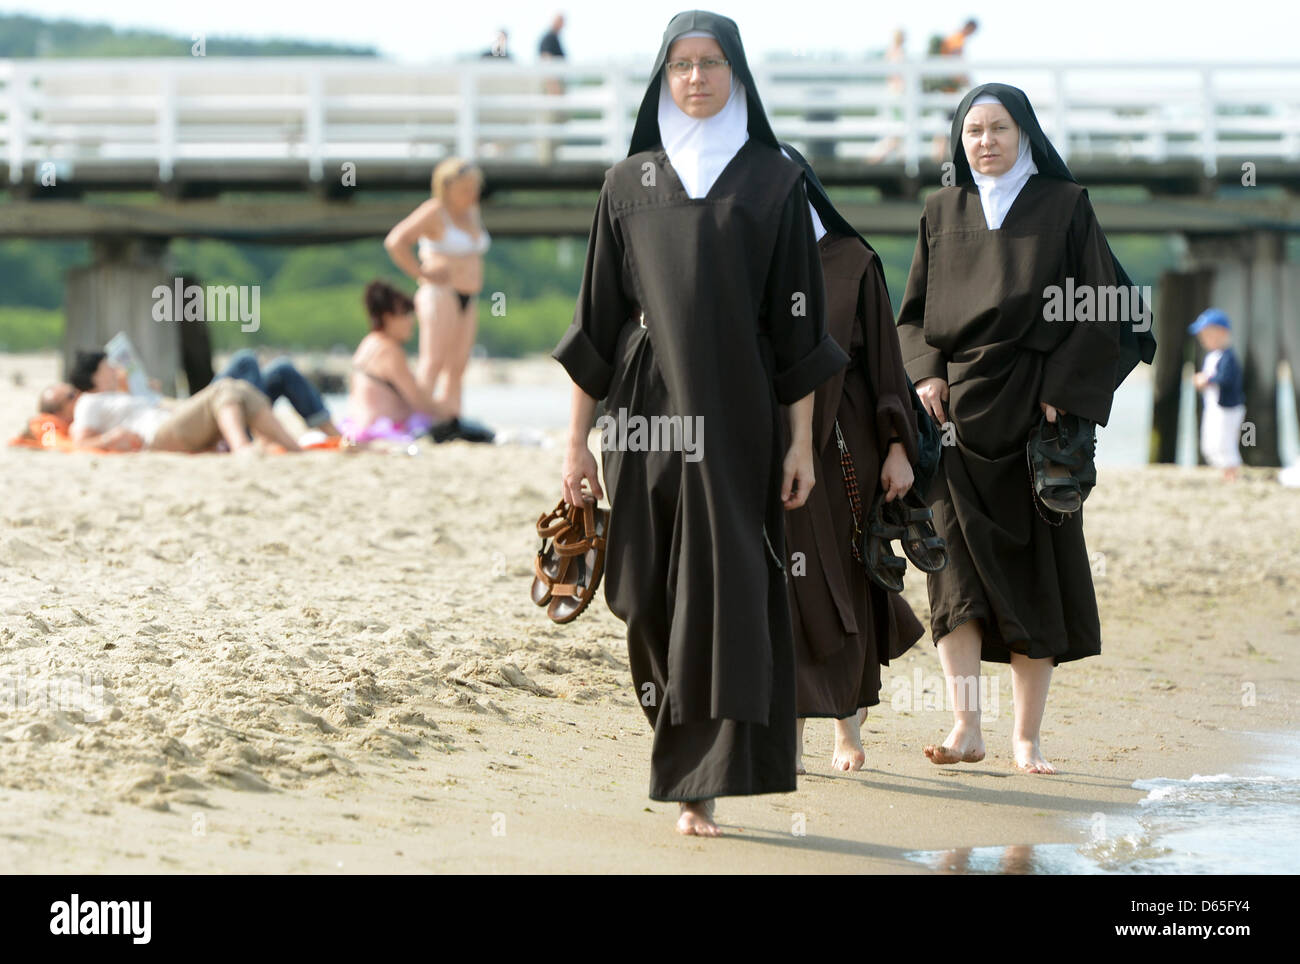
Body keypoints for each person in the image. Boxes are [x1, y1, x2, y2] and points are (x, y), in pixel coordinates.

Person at [553, 10, 848, 836]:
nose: (694, 79)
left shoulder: (774, 180)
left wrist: (800, 443)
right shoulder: (628, 182)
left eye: (710, 64)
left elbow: (799, 332)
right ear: (662, 79)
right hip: (644, 406)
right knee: (642, 589)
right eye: (680, 65)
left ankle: (697, 780)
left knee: (715, 592)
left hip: (739, 406)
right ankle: (677, 735)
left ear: (737, 75)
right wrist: (574, 442)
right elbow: (596, 326)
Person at [896, 84, 1154, 774]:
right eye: (973, 130)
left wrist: (1063, 389)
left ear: (1026, 134)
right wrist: (925, 372)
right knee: (951, 574)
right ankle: (964, 726)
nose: (984, 141)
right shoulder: (940, 210)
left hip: (1033, 418)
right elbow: (913, 317)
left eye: (998, 128)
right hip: (952, 423)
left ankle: (1027, 738)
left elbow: (1111, 305)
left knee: (1031, 574)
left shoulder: (1064, 206)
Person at [778, 142, 925, 774]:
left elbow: (887, 365)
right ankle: (788, 741)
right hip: (761, 446)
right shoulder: (742, 260)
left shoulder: (853, 260)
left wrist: (897, 446)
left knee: (839, 581)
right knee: (778, 585)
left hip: (844, 449)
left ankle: (846, 727)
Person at [383, 157, 494, 443]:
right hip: (440, 292)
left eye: (475, 187)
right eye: (466, 188)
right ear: (447, 187)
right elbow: (395, 241)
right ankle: (417, 419)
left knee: (458, 363)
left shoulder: (472, 211)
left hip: (469, 294)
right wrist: (420, 271)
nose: (472, 193)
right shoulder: (434, 211)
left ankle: (449, 419)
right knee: (433, 360)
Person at [65, 351, 302, 453]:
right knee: (225, 388)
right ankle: (242, 448)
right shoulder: (90, 401)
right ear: (95, 376)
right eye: (108, 367)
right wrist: (109, 438)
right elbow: (80, 442)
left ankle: (294, 448)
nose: (116, 370)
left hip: (171, 423)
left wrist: (146, 394)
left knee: (241, 389)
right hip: (158, 436)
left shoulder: (119, 395)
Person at [343, 281, 455, 443]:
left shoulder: (368, 344)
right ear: (388, 317)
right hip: (382, 430)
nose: (411, 321)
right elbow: (418, 400)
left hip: (356, 426)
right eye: (406, 314)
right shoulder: (389, 350)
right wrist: (446, 412)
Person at [215, 349, 339, 437]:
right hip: (209, 414)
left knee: (283, 369)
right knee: (246, 360)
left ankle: (333, 433)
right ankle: (261, 432)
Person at [1190, 308, 1246, 481]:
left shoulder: (1228, 357)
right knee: (1210, 443)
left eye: (1207, 334)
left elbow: (1226, 378)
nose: (1203, 339)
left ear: (1222, 333)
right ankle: (1225, 471)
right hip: (1213, 408)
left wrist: (1206, 380)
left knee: (1225, 442)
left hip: (1228, 409)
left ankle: (1231, 473)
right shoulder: (1211, 357)